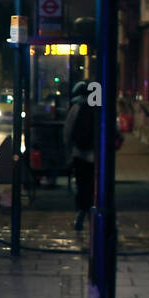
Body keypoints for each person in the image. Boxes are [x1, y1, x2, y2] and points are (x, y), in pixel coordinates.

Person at [63, 81, 95, 231]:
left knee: (82, 185)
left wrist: (68, 153)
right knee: (93, 185)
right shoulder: (100, 108)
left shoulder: (76, 108)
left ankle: (81, 213)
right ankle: (92, 214)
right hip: (96, 156)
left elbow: (67, 132)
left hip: (79, 153)